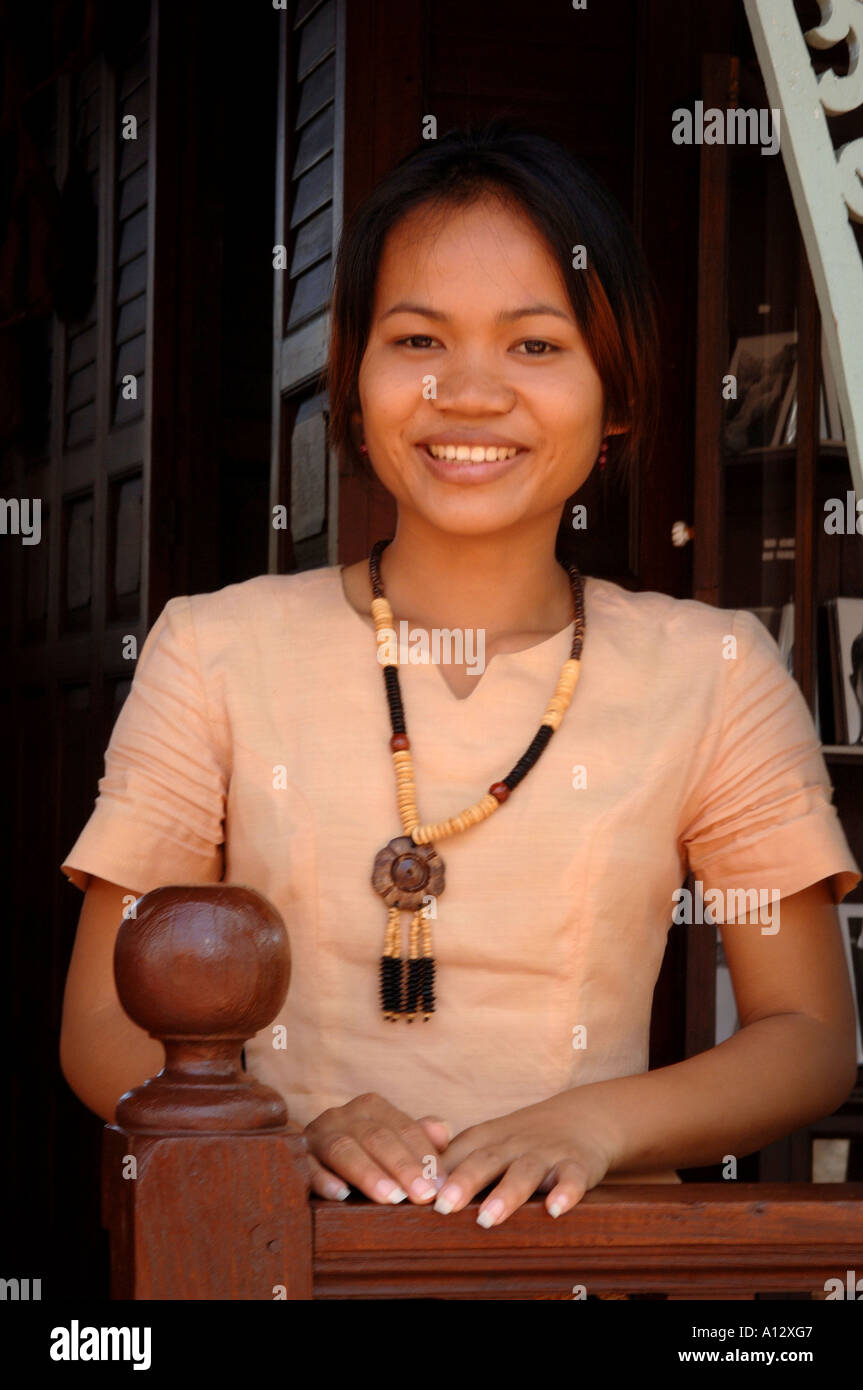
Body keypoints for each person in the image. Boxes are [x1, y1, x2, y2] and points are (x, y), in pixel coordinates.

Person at [59, 123, 861, 1232]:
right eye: (418, 339)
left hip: (578, 1267)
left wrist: (591, 1124)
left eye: (534, 346)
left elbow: (808, 1036)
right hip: (278, 1258)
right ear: (351, 377)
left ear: (614, 392)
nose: (469, 391)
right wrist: (286, 1121)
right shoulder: (214, 649)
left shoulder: (712, 669)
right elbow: (101, 1019)